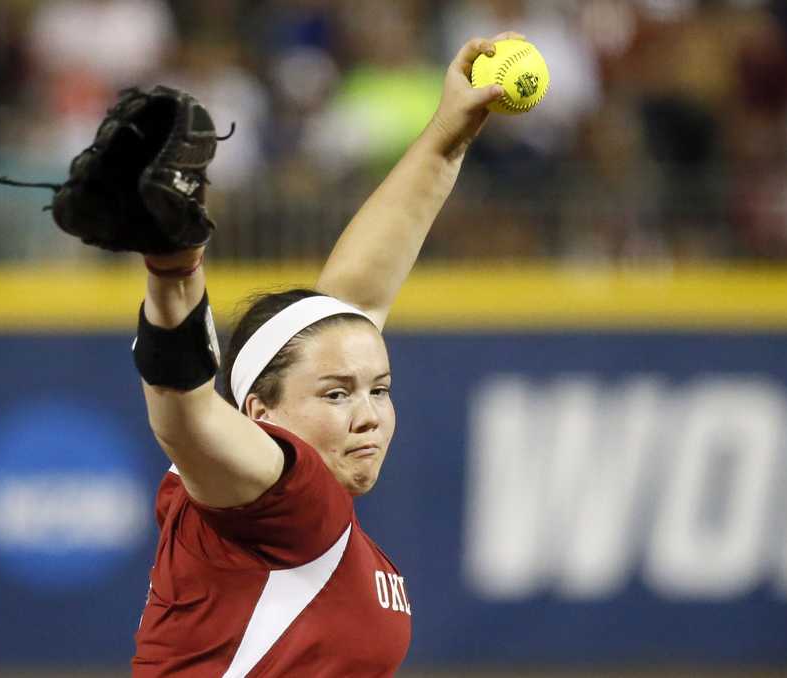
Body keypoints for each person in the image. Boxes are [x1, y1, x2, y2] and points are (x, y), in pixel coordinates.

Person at [129, 33, 523, 677]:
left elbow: (355, 299)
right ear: (259, 411)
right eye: (335, 394)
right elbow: (185, 414)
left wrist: (449, 132)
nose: (367, 414)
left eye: (380, 388)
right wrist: (174, 271)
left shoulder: (274, 517)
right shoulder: (292, 497)